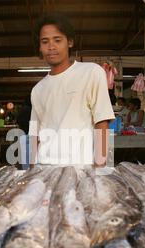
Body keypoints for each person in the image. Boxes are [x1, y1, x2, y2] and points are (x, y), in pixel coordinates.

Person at [29, 13, 115, 166]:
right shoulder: (38, 90)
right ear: (40, 47)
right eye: (45, 41)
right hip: (44, 169)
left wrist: (99, 168)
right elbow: (34, 134)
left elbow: (102, 122)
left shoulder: (91, 72)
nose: (51, 47)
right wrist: (32, 169)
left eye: (57, 40)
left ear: (69, 42)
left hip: (80, 170)